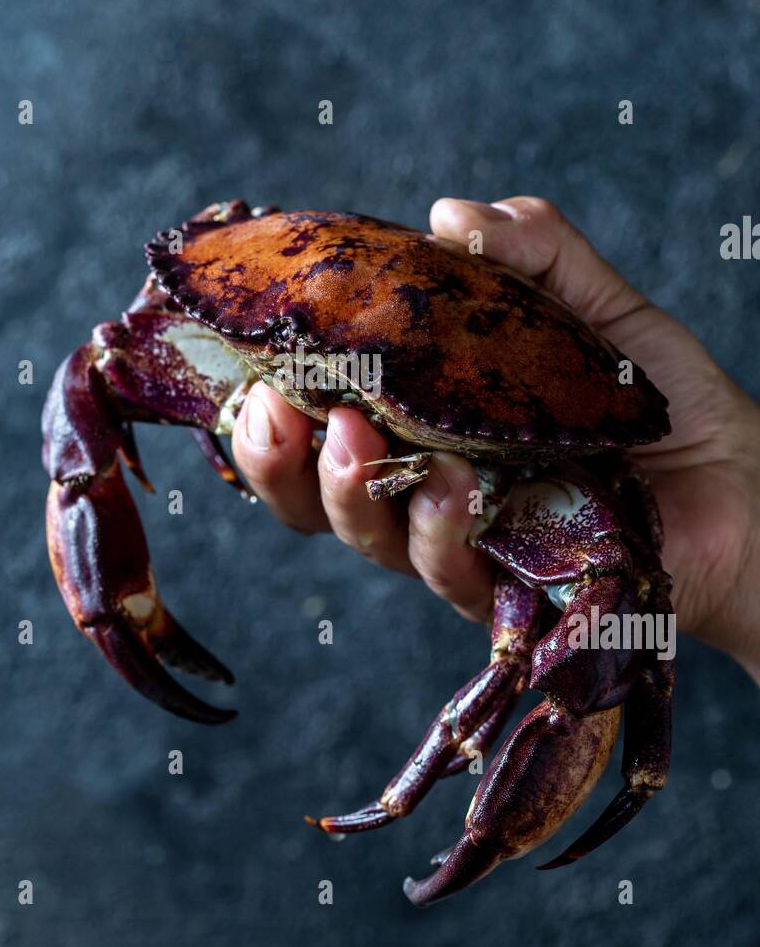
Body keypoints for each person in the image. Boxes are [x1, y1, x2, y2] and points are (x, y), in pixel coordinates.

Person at [231, 196, 760, 687]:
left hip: (519, 477)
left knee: (601, 614)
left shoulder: (607, 480)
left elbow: (614, 598)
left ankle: (408, 789)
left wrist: (736, 569)